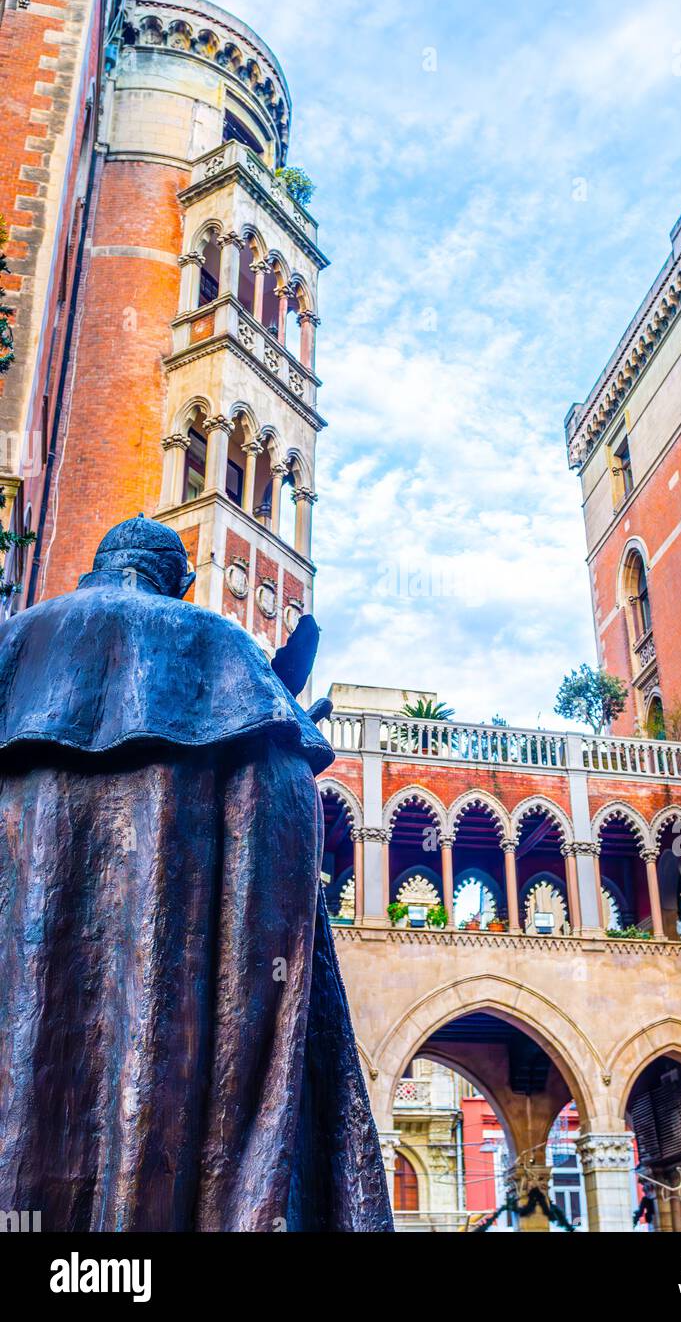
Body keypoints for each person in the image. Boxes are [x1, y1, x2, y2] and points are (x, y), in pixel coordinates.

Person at [0, 516, 392, 1232]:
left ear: (96, 564)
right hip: (170, 1030)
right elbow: (275, 827)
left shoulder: (13, 640)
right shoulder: (215, 645)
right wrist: (278, 715)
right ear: (180, 583)